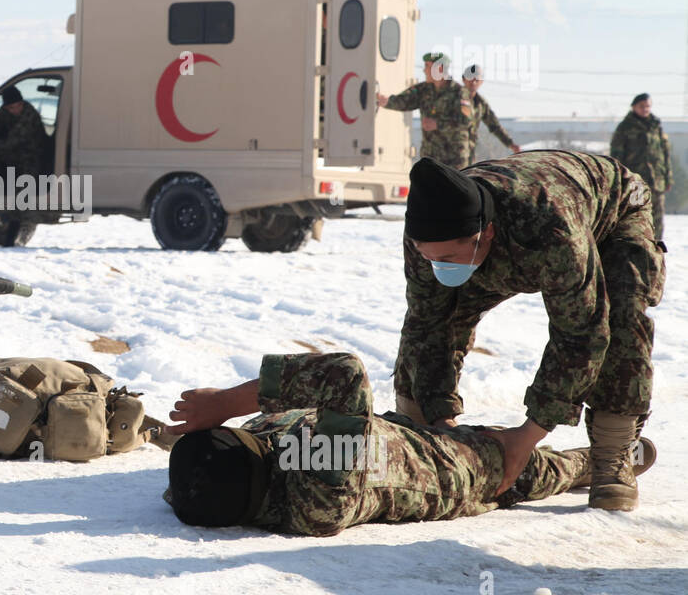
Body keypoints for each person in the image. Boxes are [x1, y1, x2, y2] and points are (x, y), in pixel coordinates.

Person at [392, 153, 664, 511]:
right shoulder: (428, 230)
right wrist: (439, 415)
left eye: (450, 258)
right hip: (507, 229)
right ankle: (418, 422)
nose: (440, 266)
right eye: (432, 257)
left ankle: (613, 457)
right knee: (437, 316)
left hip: (612, 211)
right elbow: (428, 324)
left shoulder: (550, 227)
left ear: (484, 233)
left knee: (621, 316)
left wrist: (527, 437)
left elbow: (581, 333)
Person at [164, 351, 655, 535]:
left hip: (396, 432)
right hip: (454, 469)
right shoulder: (317, 491)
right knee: (535, 470)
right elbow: (344, 372)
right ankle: (606, 461)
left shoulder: (233, 487)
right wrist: (226, 402)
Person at [376, 52, 466, 167]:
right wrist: (387, 101)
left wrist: (438, 125)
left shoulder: (460, 93)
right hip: (430, 160)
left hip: (453, 162)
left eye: (427, 66)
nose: (424, 70)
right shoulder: (423, 89)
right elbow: (404, 101)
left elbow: (466, 123)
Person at [610, 93, 674, 240]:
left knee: (657, 218)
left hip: (656, 181)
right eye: (642, 106)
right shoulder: (625, 127)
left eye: (648, 106)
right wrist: (620, 179)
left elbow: (664, 154)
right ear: (634, 107)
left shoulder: (655, 127)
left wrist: (667, 177)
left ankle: (656, 248)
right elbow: (616, 155)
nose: (645, 109)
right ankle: (638, 247)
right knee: (636, 216)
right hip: (636, 181)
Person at [0, 86, 46, 181]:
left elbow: (10, 143)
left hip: (32, 155)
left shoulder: (29, 116)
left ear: (22, 103)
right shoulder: (5, 110)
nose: (16, 110)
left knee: (22, 191)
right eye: (11, 108)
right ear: (6, 107)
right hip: (18, 150)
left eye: (19, 105)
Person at [459, 63, 521, 165]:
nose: (473, 82)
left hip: (468, 154)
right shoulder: (453, 98)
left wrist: (510, 144)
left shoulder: (480, 103)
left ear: (481, 82)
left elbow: (494, 125)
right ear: (464, 79)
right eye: (470, 78)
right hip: (447, 153)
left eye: (477, 79)